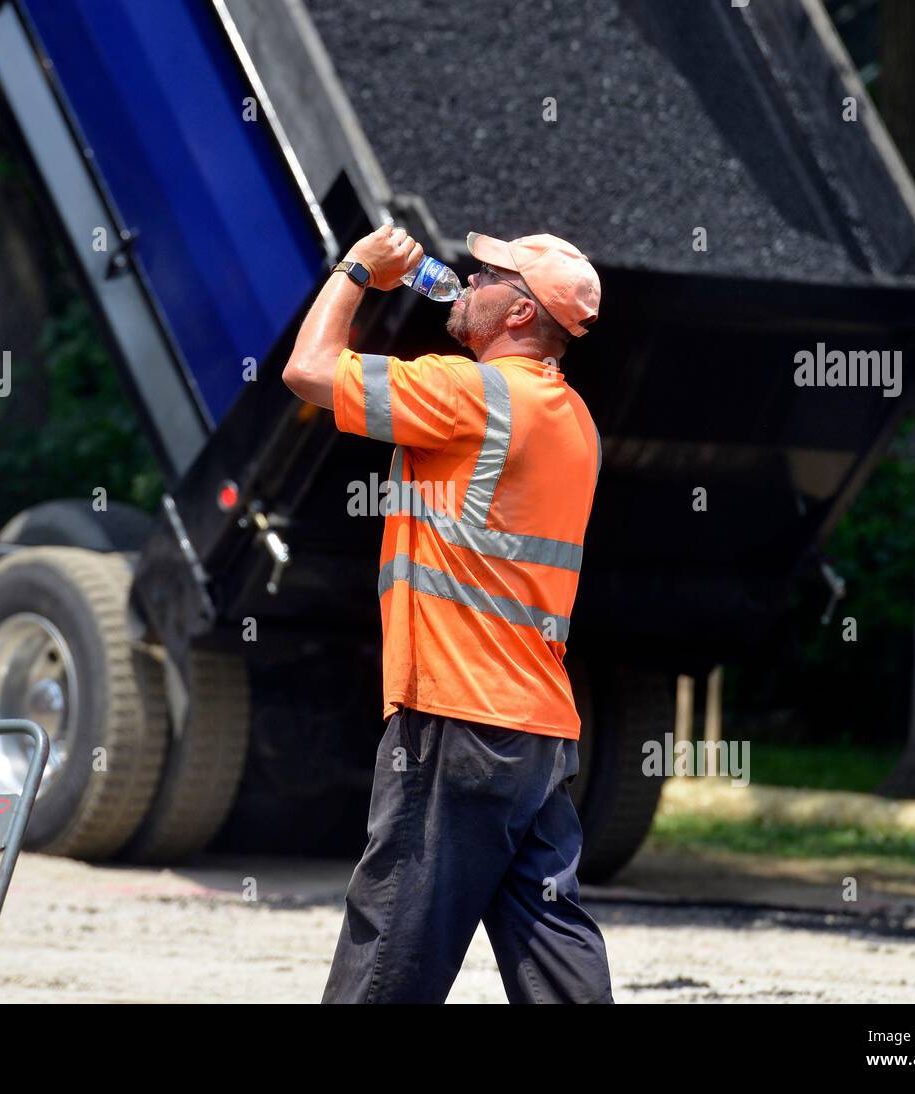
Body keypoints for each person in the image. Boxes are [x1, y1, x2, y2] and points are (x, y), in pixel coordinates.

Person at [283, 223, 611, 1003]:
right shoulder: (576, 422)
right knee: (553, 943)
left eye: (489, 276)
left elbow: (308, 369)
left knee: (390, 940)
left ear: (522, 315)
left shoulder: (475, 394)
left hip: (456, 718)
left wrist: (357, 269)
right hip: (535, 729)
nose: (467, 281)